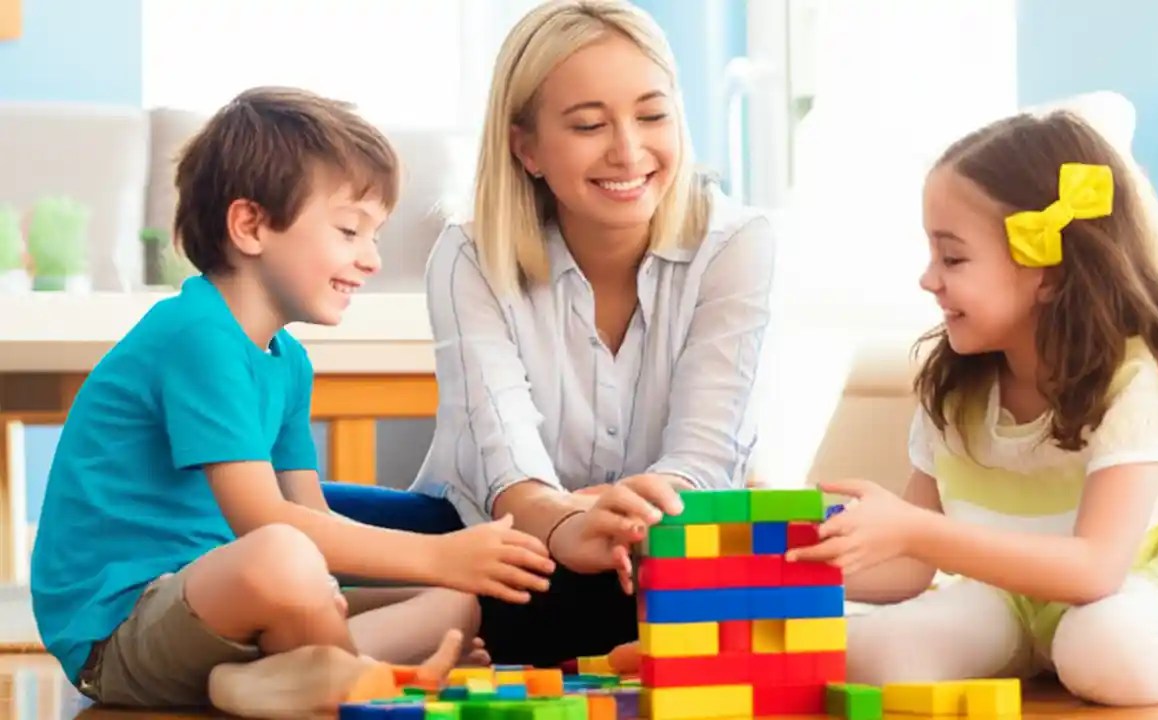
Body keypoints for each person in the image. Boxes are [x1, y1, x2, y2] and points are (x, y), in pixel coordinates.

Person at [30, 86, 555, 710]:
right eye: (349, 231)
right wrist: (441, 551)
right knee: (285, 554)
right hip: (119, 632)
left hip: (222, 606)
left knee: (451, 603)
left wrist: (440, 570)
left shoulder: (287, 361)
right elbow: (266, 521)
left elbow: (313, 517)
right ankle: (348, 682)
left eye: (375, 236)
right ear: (251, 225)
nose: (370, 259)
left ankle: (279, 681)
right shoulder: (197, 334)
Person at [788, 109, 1158, 706]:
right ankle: (1043, 652)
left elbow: (1095, 570)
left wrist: (914, 530)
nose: (927, 280)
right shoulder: (955, 390)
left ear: (1050, 271)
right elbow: (907, 570)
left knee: (1104, 648)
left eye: (953, 258)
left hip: (1145, 596)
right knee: (874, 655)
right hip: (1011, 603)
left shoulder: (1138, 382)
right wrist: (771, 562)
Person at [400, 0, 776, 666]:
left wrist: (622, 520)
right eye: (588, 125)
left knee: (704, 576)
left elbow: (703, 460)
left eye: (653, 115)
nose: (629, 150)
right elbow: (508, 474)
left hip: (650, 553)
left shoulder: (736, 244)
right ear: (527, 147)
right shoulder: (469, 256)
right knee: (292, 528)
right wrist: (572, 523)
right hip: (492, 545)